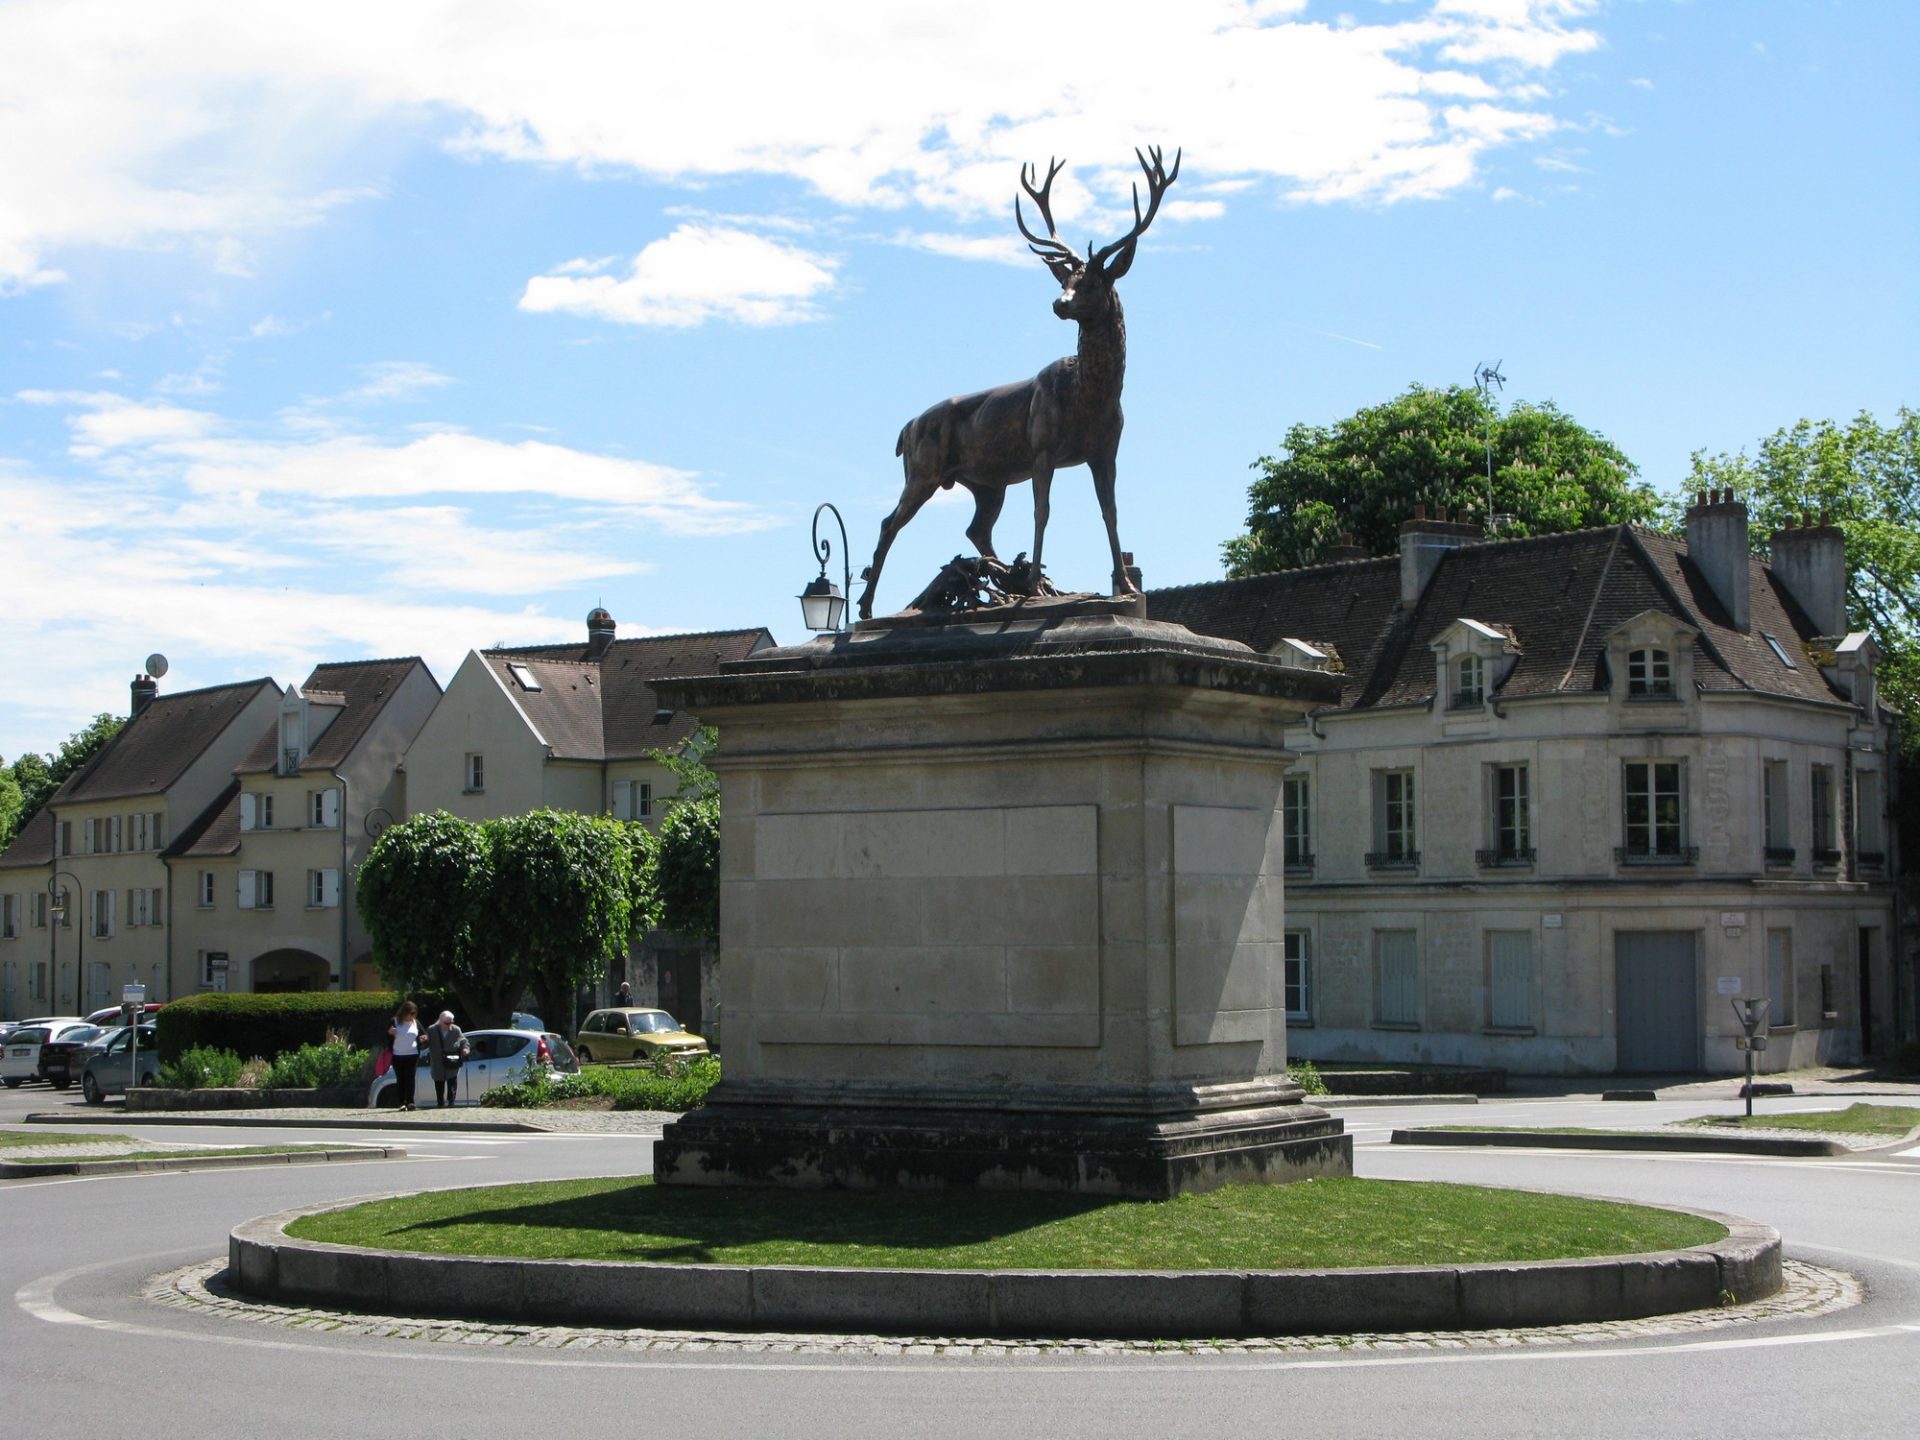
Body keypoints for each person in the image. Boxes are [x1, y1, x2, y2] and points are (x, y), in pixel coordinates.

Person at [424, 1010, 469, 1108]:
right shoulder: (431, 1030)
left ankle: (451, 1103)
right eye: (446, 1023)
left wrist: (465, 1048)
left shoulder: (456, 1029)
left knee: (452, 1081)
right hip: (437, 1062)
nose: (449, 1025)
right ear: (440, 1021)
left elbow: (463, 1041)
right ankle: (440, 1103)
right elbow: (426, 1044)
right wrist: (424, 1041)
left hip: (452, 1060)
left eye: (451, 1022)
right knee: (438, 1083)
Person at [388, 1000, 422, 1111]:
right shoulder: (394, 1021)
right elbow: (387, 1036)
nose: (412, 1016)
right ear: (404, 1012)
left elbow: (423, 1034)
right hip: (398, 1055)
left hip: (412, 1054)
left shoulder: (415, 1023)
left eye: (414, 1014)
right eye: (411, 1013)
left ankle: (411, 1102)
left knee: (410, 1079)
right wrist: (390, 1033)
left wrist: (423, 1038)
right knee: (401, 1079)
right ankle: (401, 1103)